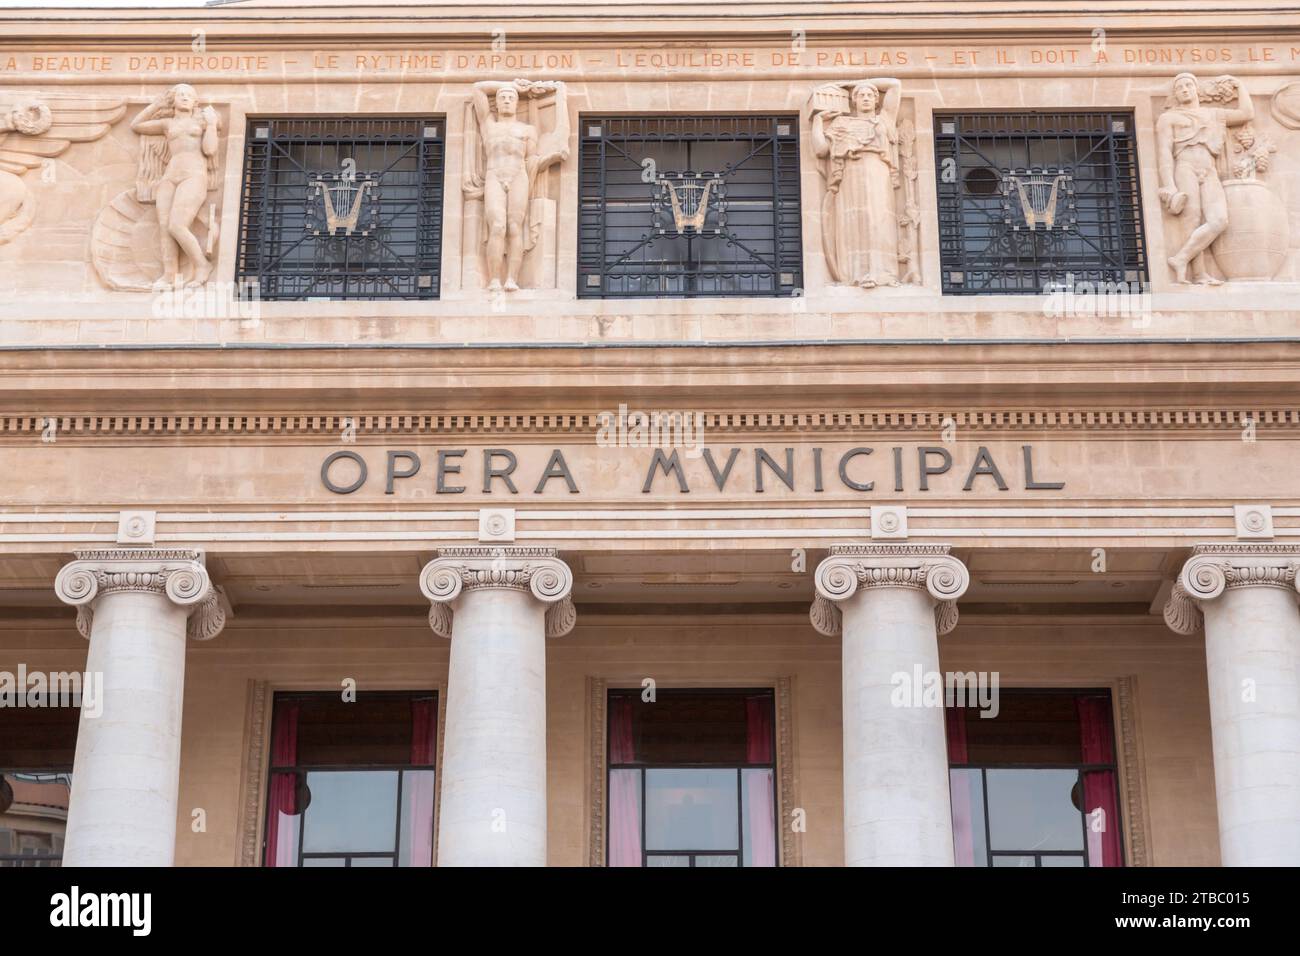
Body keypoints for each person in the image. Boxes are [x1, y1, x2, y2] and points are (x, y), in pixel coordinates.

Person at [468, 79, 568, 292]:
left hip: (518, 176)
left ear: (516, 104)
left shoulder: (528, 130)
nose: (506, 100)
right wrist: (513, 85)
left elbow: (531, 161)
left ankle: (512, 279)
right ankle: (494, 279)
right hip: (495, 175)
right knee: (497, 226)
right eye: (502, 97)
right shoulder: (489, 126)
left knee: (515, 227)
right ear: (497, 101)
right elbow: (477, 88)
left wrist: (552, 157)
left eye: (511, 98)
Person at [1156, 73, 1253, 285]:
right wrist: (1169, 185)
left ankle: (1181, 258)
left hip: (1208, 169)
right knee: (1191, 218)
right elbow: (1164, 152)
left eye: (1188, 85)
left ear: (1196, 88)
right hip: (1185, 167)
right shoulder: (1168, 118)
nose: (1184, 89)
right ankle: (1198, 274)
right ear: (1175, 94)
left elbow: (1246, 113)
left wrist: (1240, 84)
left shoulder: (1214, 114)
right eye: (1179, 87)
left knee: (1219, 220)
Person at [811, 78, 903, 288]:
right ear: (853, 101)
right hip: (850, 174)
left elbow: (895, 85)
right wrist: (817, 122)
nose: (866, 98)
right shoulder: (842, 123)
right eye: (860, 95)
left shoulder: (884, 120)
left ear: (877, 100)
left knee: (878, 218)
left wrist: (851, 81)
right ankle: (856, 273)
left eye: (870, 95)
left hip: (878, 171)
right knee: (854, 220)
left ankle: (884, 273)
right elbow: (821, 150)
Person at [131, 84, 220, 286]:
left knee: (177, 225)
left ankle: (202, 266)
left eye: (189, 95)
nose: (185, 97)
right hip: (170, 176)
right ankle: (170, 274)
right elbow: (136, 125)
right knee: (164, 227)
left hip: (194, 175)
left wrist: (212, 124)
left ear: (196, 102)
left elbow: (210, 150)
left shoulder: (202, 121)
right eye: (181, 95)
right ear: (174, 100)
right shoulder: (167, 124)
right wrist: (156, 104)